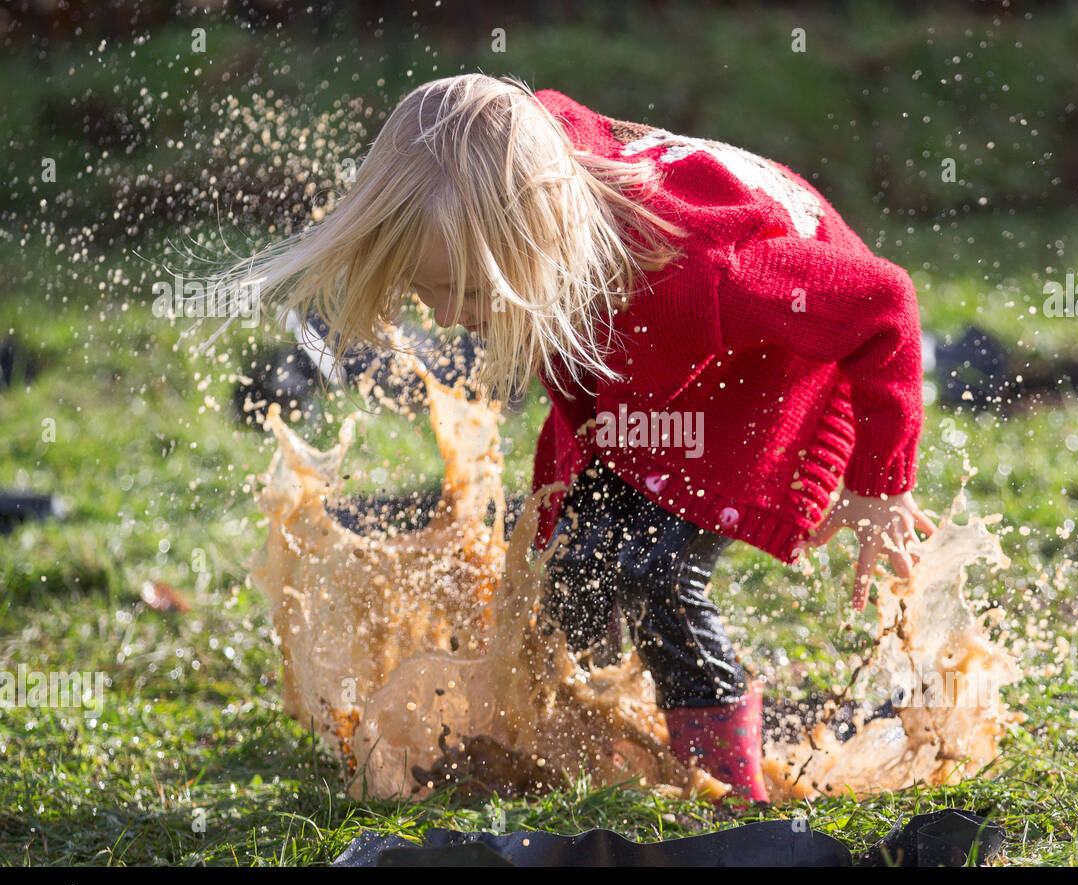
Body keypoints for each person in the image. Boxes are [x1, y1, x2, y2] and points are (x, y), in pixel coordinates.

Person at [216, 74, 933, 802]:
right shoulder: (539, 232)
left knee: (655, 572)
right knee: (569, 562)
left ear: (545, 244)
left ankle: (726, 790)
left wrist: (879, 486)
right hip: (649, 360)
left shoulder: (708, 271)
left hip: (772, 367)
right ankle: (589, 747)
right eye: (425, 288)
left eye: (466, 294)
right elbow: (580, 403)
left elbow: (883, 303)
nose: (445, 316)